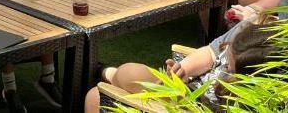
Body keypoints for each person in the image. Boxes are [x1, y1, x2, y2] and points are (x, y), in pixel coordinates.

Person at [85, 22, 276, 113]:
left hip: (193, 107)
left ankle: (107, 73)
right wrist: (182, 70)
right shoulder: (247, 36)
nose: (224, 65)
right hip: (186, 91)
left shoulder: (254, 94)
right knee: (125, 75)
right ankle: (109, 73)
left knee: (97, 94)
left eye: (230, 68)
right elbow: (211, 52)